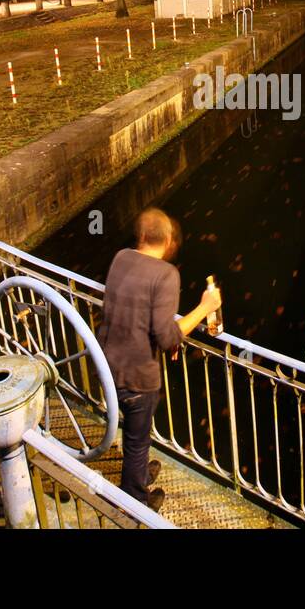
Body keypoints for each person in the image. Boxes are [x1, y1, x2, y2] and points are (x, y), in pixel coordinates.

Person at [98, 207, 221, 512]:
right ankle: (136, 502)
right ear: (168, 240)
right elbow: (167, 337)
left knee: (135, 432)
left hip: (107, 365)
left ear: (140, 236)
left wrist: (164, 332)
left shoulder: (121, 257)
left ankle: (138, 473)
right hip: (137, 378)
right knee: (137, 440)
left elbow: (138, 314)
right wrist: (206, 308)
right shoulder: (167, 274)